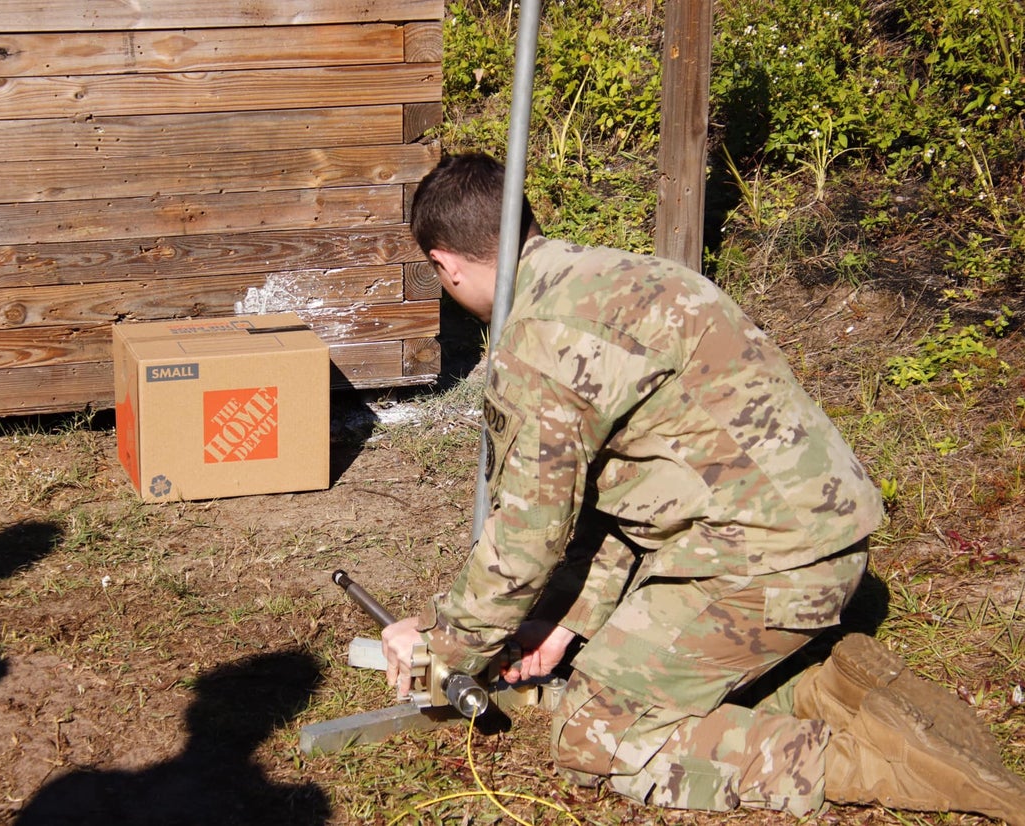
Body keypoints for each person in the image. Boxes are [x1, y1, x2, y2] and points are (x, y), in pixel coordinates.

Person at [381, 152, 1025, 822]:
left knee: (595, 734)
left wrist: (442, 649)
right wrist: (572, 620)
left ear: (446, 264)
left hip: (767, 563)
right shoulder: (628, 276)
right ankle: (827, 690)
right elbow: (631, 492)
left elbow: (526, 538)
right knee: (616, 678)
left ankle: (874, 759)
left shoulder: (538, 345)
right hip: (809, 536)